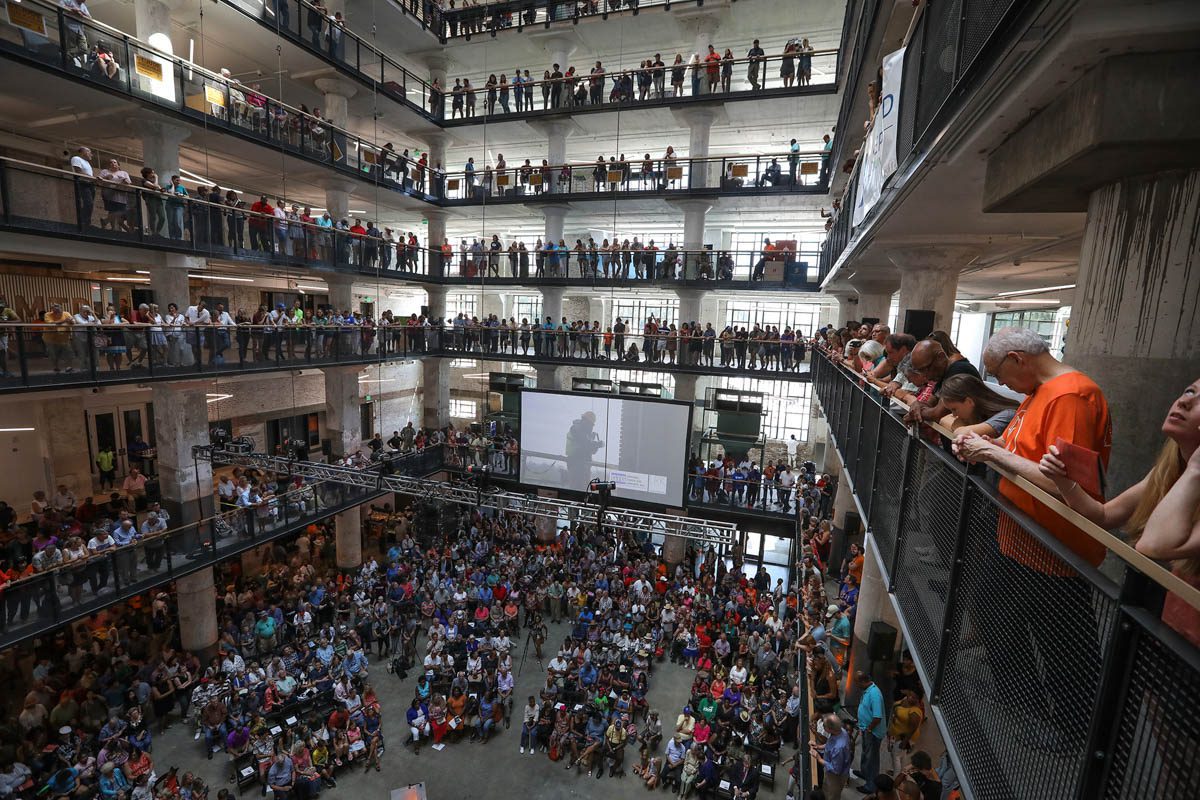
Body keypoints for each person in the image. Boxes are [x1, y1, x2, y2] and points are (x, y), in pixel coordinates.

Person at [952, 326, 1111, 745]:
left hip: (1052, 547)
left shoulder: (1070, 396)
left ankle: (1073, 730)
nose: (999, 384)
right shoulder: (1039, 394)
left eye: (999, 373)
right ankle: (1029, 704)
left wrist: (990, 452)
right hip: (1019, 535)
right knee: (991, 612)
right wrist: (981, 442)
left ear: (1018, 359)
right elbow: (1018, 445)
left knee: (1065, 647)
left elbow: (1061, 481)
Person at [1039, 377, 1200, 646]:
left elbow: (1153, 545)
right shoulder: (1170, 468)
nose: (1184, 401)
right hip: (1175, 627)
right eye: (1189, 391)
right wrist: (1063, 481)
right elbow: (1103, 516)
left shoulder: (1190, 471)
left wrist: (1196, 469)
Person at [853, 670, 885, 794]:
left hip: (873, 732)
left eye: (856, 682)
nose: (856, 685)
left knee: (872, 758)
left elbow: (877, 717)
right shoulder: (867, 690)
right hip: (866, 729)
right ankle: (865, 773)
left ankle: (871, 785)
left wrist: (869, 729)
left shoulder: (874, 694)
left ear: (862, 681)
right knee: (866, 753)